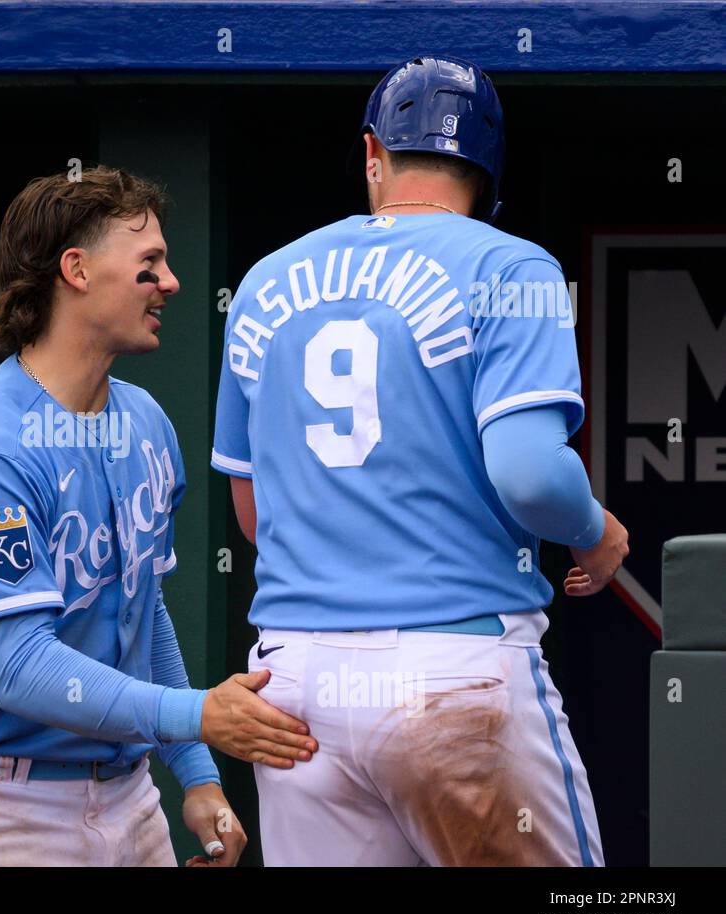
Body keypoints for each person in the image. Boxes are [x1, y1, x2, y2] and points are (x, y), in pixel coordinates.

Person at [211, 55, 626, 866]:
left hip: (294, 688)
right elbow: (531, 472)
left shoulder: (266, 281)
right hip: (453, 668)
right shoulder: (511, 264)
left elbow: (254, 517)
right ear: (488, 173)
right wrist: (595, 530)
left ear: (374, 154)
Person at [0, 166, 317, 867]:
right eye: (149, 264)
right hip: (1, 806)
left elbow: (142, 611)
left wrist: (196, 774)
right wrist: (199, 715)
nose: (172, 282)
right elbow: (20, 667)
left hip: (129, 797)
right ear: (77, 270)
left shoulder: (145, 424)